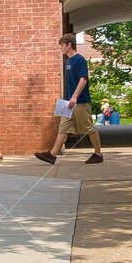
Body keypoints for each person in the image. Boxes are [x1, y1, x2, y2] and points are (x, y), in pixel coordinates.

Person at [36, 34, 104, 165]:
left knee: (89, 128)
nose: (60, 48)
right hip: (68, 103)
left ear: (68, 45)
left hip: (80, 101)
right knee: (63, 128)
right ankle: (52, 155)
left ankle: (98, 154)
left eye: (62, 45)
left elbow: (83, 79)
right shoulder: (67, 61)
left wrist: (74, 96)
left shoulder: (79, 60)